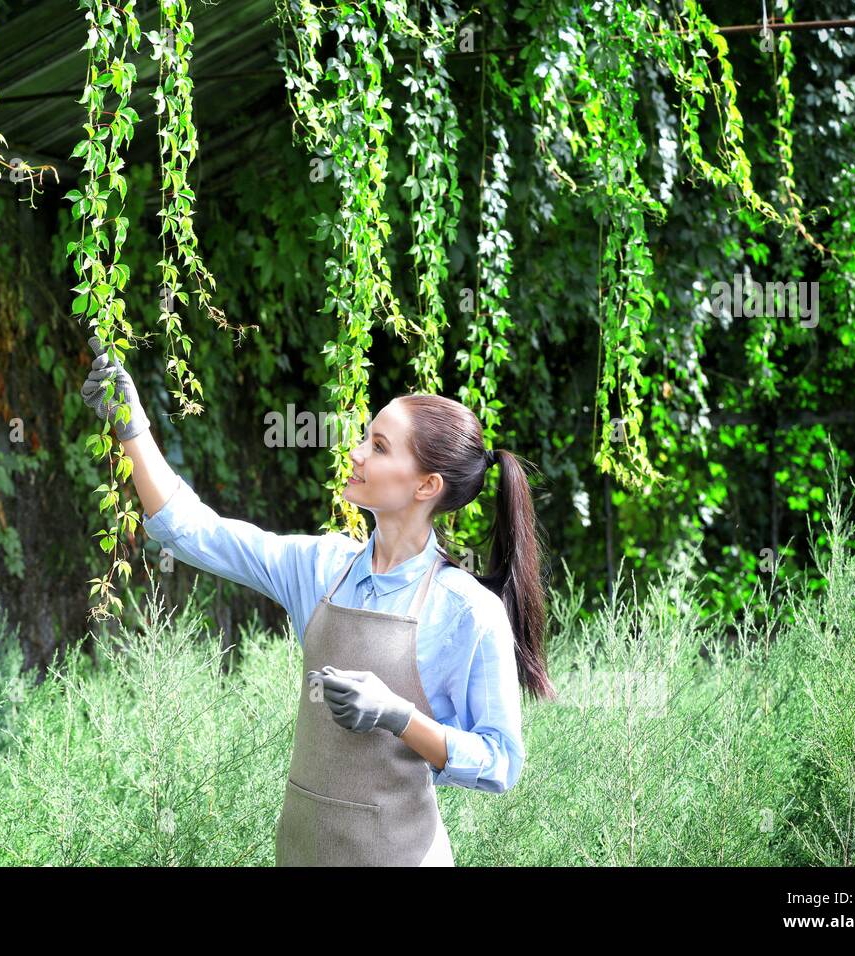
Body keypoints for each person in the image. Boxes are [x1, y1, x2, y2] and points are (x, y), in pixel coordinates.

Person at [81, 337, 556, 866]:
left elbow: (501, 763)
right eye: (365, 438)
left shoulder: (467, 611)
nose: (354, 452)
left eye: (379, 447)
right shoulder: (321, 568)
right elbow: (194, 532)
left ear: (426, 486)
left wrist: (400, 717)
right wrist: (133, 429)